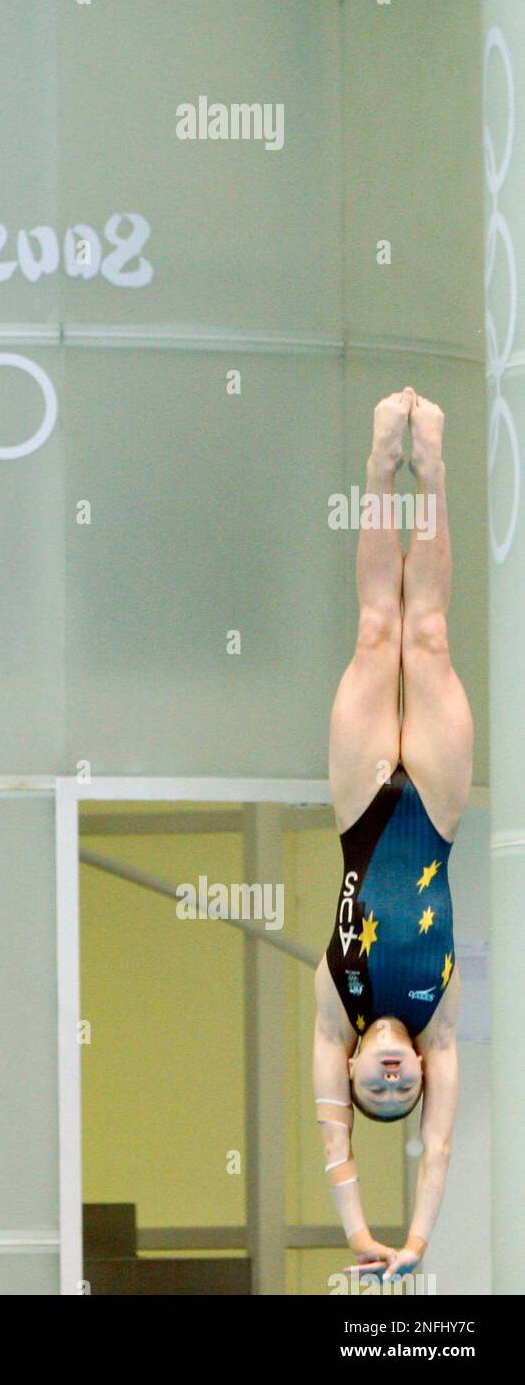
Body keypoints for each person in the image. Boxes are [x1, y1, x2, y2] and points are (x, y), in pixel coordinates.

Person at [313, 386, 470, 1282]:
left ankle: (382, 467)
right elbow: (439, 1151)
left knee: (379, 634)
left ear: (354, 1072)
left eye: (373, 1089)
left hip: (363, 804)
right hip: (438, 813)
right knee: (433, 636)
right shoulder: (438, 1023)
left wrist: (356, 1230)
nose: (392, 1082)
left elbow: (331, 1131)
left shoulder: (339, 1006)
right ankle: (435, 473)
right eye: (398, 1092)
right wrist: (413, 1242)